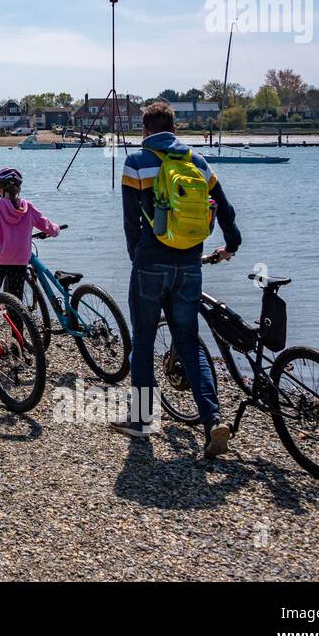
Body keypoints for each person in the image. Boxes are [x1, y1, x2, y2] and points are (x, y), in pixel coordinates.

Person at [114, 100, 242, 458]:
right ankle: (213, 418)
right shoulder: (197, 163)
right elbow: (226, 209)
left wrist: (138, 256)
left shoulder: (137, 162)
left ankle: (141, 420)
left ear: (145, 130)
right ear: (175, 127)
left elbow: (130, 221)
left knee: (143, 339)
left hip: (150, 263)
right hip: (190, 263)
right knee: (188, 339)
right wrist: (231, 244)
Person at [0, 166, 59, 301]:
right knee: (16, 299)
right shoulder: (28, 207)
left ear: (0, 189)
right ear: (18, 190)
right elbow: (47, 225)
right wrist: (56, 230)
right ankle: (17, 320)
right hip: (20, 260)